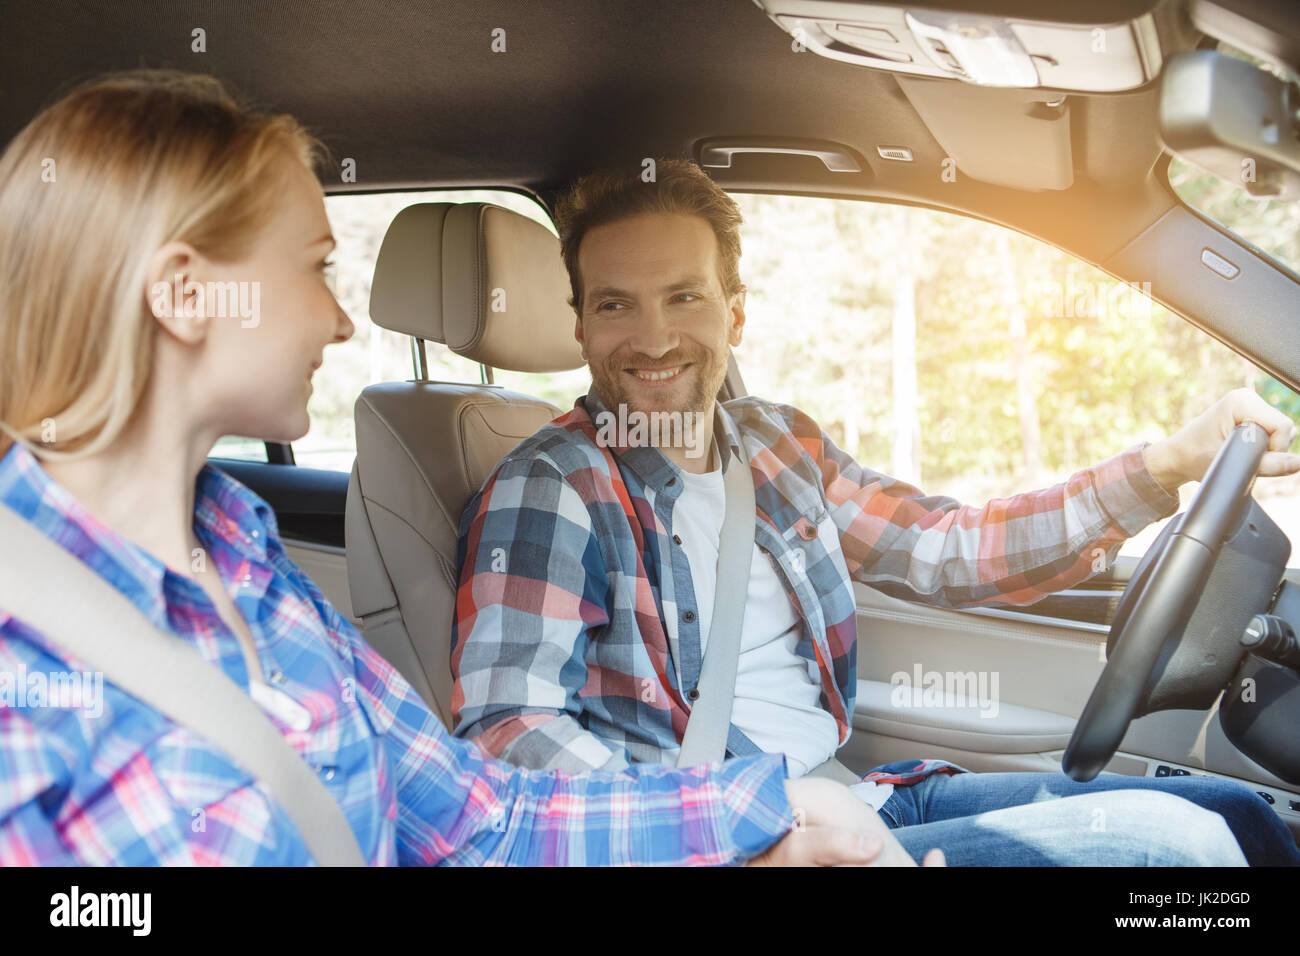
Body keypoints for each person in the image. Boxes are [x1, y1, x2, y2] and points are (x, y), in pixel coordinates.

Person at [0, 70, 925, 867]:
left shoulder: (248, 561)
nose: (340, 321)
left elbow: (489, 821)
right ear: (185, 293)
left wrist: (778, 810)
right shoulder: (26, 643)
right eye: (317, 269)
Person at [449, 158, 1300, 866]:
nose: (654, 337)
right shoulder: (550, 486)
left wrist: (1168, 466)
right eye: (614, 304)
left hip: (861, 799)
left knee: (1236, 817)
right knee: (1179, 850)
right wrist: (736, 822)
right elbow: (506, 734)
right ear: (580, 327)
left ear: (734, 312)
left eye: (684, 297)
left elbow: (946, 549)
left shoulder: (777, 444)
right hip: (738, 843)